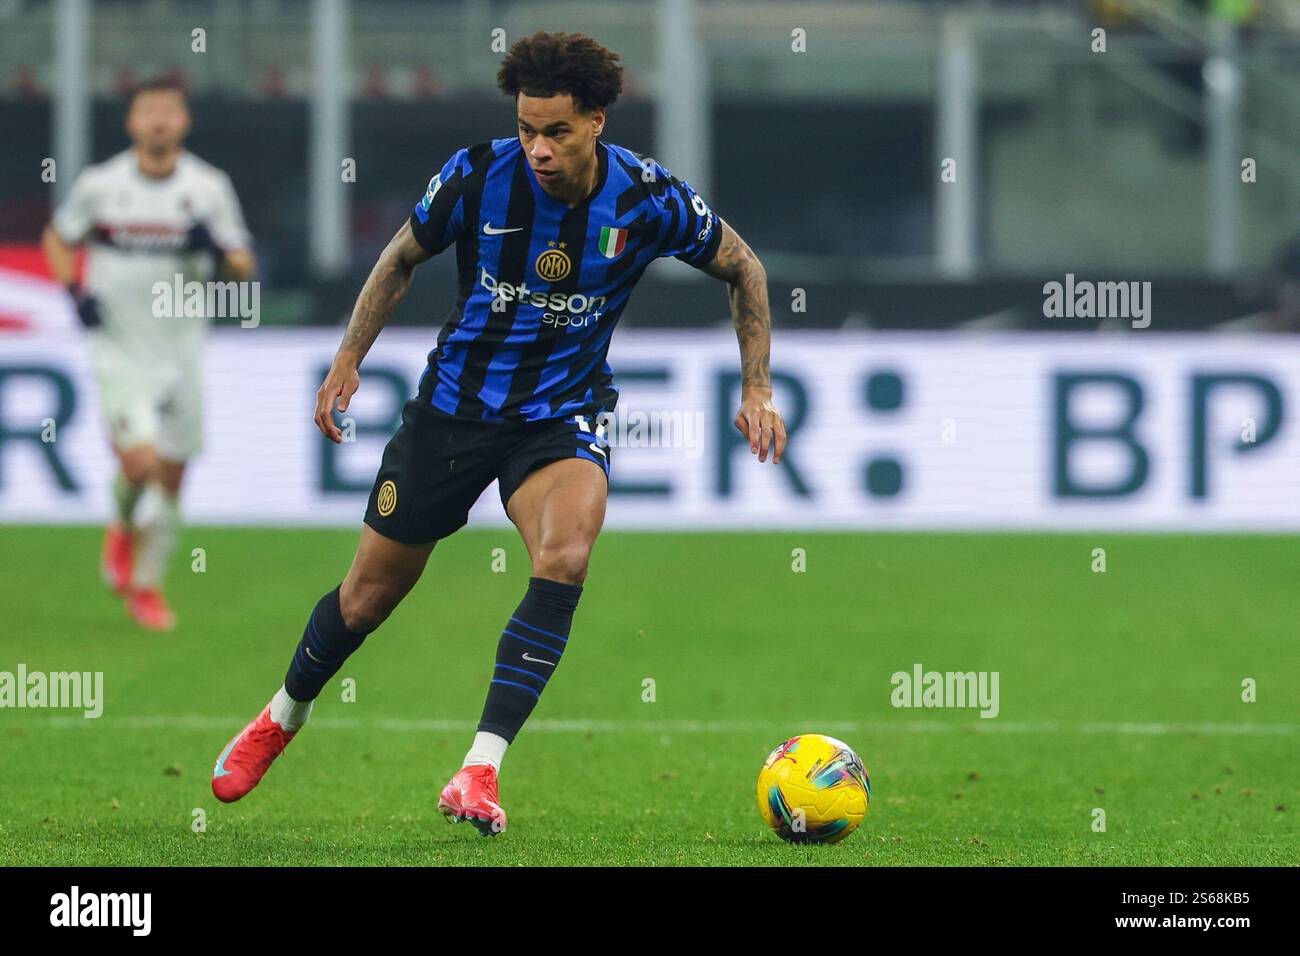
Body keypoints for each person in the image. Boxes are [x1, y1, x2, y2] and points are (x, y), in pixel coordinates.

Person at [210, 31, 785, 835]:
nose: (538, 150)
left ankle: (479, 769)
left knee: (566, 557)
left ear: (596, 121)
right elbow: (400, 258)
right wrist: (348, 359)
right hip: (452, 411)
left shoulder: (648, 197)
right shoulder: (478, 177)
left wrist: (757, 385)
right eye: (526, 129)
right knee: (367, 597)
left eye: (555, 131)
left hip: (560, 416)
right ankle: (282, 715)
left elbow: (744, 267)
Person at [42, 77, 255, 630]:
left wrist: (215, 247)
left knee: (173, 478)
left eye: (169, 111)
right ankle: (120, 525)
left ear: (183, 122)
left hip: (182, 352)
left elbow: (243, 266)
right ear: (132, 122)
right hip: (120, 350)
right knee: (140, 463)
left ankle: (147, 584)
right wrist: (74, 292)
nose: (159, 120)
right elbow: (58, 239)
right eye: (148, 111)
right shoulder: (101, 185)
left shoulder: (208, 187)